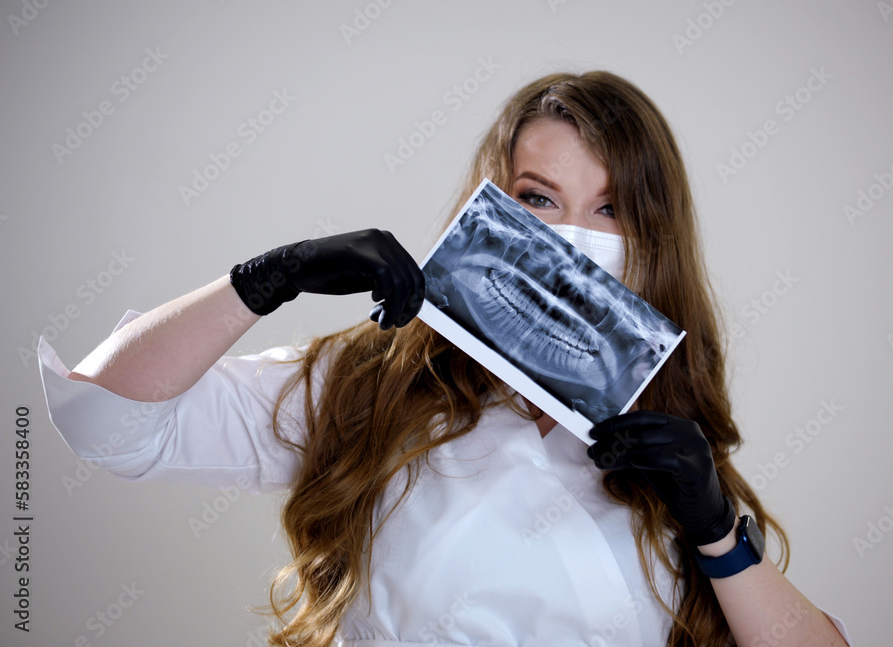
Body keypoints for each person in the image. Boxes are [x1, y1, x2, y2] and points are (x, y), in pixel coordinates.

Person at [38, 71, 852, 647]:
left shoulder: (675, 460)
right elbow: (105, 419)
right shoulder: (370, 389)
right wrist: (265, 279)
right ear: (490, 207)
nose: (574, 236)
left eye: (611, 208)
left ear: (653, 241)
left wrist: (717, 533)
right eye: (538, 198)